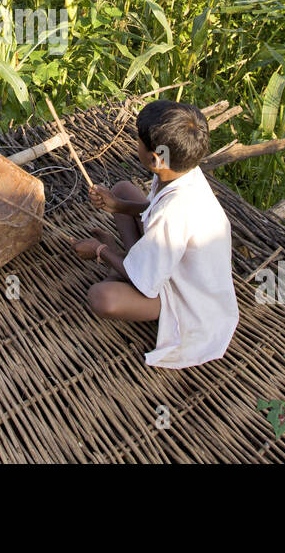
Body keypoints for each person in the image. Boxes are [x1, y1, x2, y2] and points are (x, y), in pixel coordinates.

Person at [72, 100, 239, 368]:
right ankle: (134, 261)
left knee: (101, 297)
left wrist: (101, 252)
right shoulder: (179, 171)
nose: (135, 143)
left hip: (185, 297)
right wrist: (117, 205)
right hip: (169, 257)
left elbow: (145, 282)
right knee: (124, 190)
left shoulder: (175, 213)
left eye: (139, 141)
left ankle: (130, 264)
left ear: (156, 158)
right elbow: (154, 208)